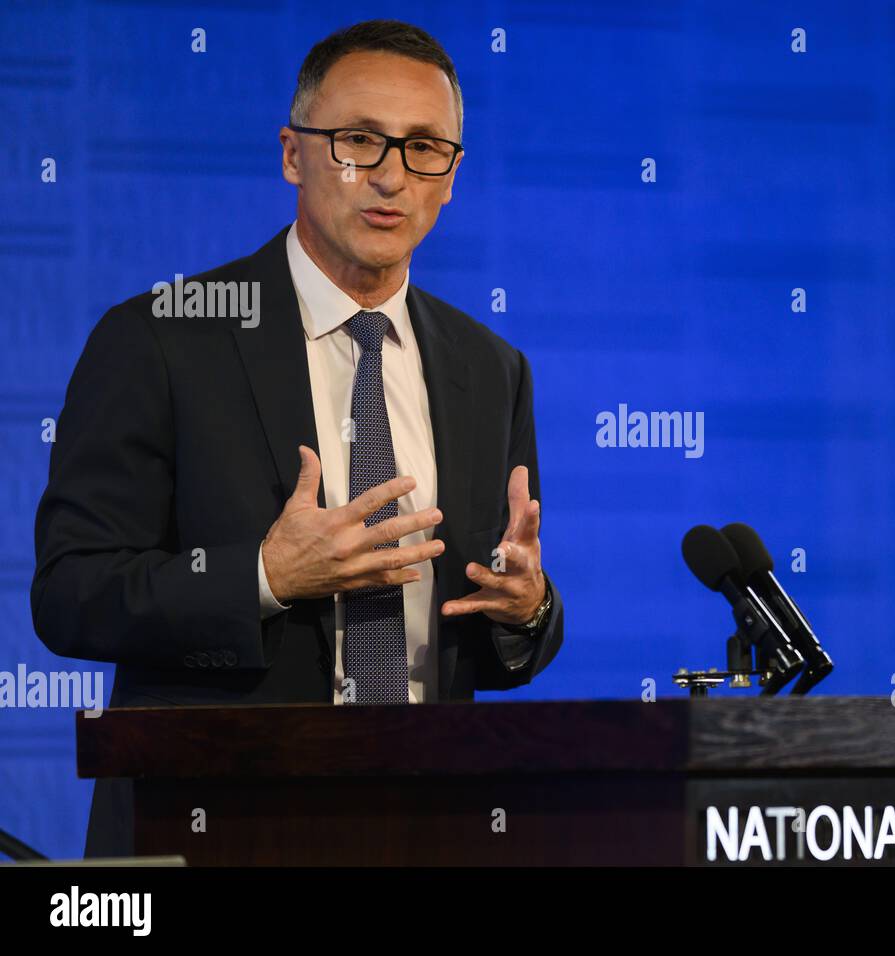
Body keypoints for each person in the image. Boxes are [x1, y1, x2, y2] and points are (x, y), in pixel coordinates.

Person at [30, 19, 563, 858]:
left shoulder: (490, 368)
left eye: (424, 147)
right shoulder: (162, 339)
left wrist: (526, 611)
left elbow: (497, 653)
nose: (390, 175)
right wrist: (264, 577)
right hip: (214, 831)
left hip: (426, 831)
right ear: (293, 154)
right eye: (358, 140)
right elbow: (70, 593)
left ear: (453, 177)